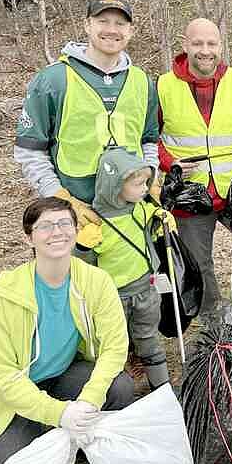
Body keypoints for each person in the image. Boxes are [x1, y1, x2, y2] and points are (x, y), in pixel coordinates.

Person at [0, 197, 133, 464]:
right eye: (45, 226)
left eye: (65, 223)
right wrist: (60, 413)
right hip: (10, 398)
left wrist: (89, 399)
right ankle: (50, 426)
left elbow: (115, 347)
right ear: (29, 238)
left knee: (120, 386)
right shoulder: (4, 294)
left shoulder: (96, 281)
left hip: (61, 378)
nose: (57, 232)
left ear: (76, 230)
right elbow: (4, 375)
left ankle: (83, 445)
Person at [14, 0, 160, 227]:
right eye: (103, 21)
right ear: (87, 25)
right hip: (74, 215)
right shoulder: (54, 79)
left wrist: (151, 178)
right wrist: (60, 198)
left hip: (131, 213)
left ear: (131, 30)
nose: (112, 30)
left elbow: (149, 140)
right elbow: (29, 151)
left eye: (120, 23)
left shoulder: (143, 81)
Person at [158, 18, 232, 313]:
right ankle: (216, 325)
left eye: (211, 43)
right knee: (199, 264)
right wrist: (170, 163)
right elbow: (147, 139)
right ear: (185, 45)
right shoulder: (162, 86)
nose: (205, 51)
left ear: (220, 45)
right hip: (190, 197)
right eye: (198, 44)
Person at [74, 146, 172, 390]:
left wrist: (161, 220)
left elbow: (150, 227)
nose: (144, 189)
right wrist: (82, 248)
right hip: (113, 297)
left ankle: (162, 388)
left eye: (145, 183)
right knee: (114, 343)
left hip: (146, 290)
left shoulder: (141, 208)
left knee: (148, 337)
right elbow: (80, 268)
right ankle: (119, 391)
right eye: (138, 184)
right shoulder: (96, 222)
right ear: (115, 186)